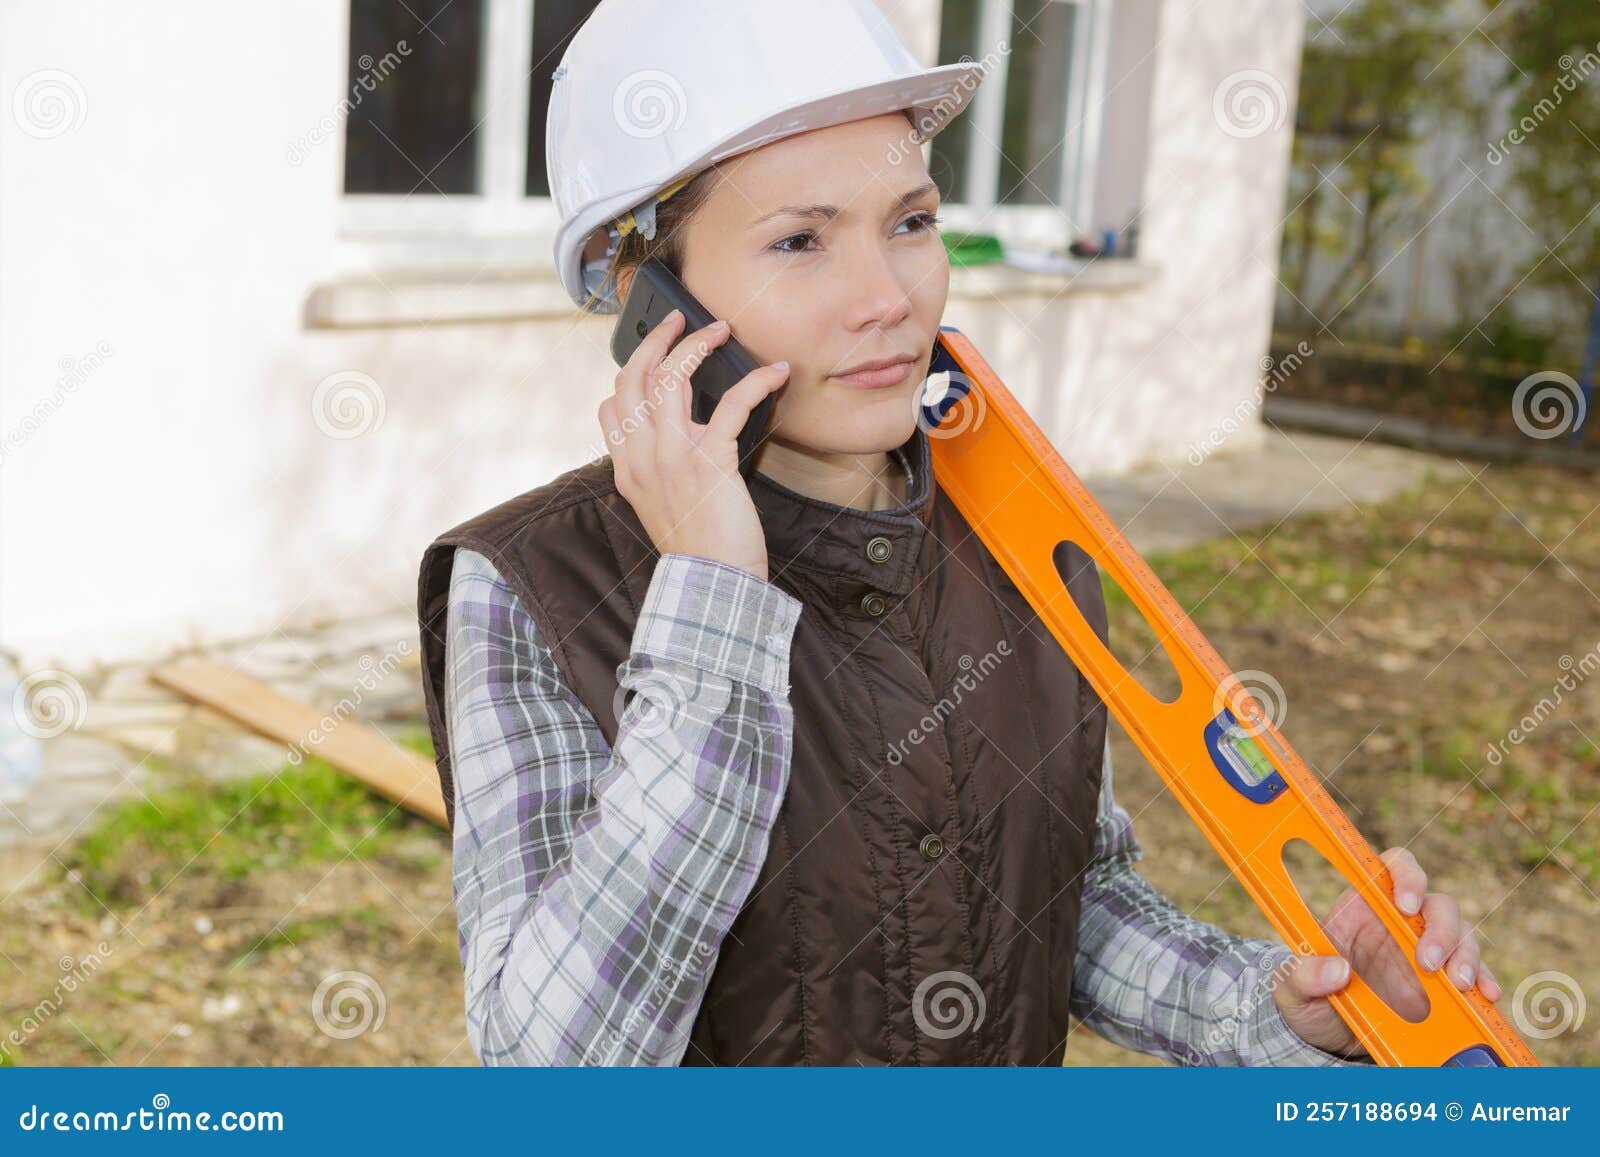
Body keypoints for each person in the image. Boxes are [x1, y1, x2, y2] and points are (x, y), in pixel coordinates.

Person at [415, 0, 1499, 1066]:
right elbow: (553, 1064)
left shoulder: (1026, 533)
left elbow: (1068, 903)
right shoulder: (529, 586)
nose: (887, 296)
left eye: (911, 221)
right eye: (799, 240)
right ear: (645, 297)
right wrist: (710, 597)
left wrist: (1282, 1009)